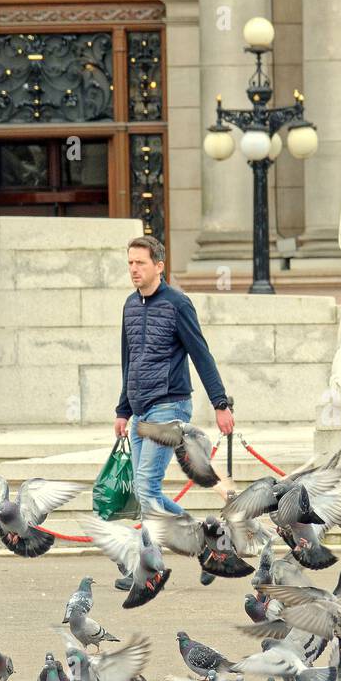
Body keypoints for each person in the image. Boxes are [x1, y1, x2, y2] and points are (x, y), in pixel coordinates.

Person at [114, 235, 234, 590]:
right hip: (139, 410)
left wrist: (220, 403)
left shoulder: (178, 303)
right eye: (131, 263)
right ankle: (207, 544)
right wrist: (122, 409)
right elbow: (129, 361)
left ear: (159, 266)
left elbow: (201, 354)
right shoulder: (129, 306)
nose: (134, 269)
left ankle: (148, 568)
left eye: (141, 263)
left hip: (170, 403)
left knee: (147, 486)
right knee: (145, 488)